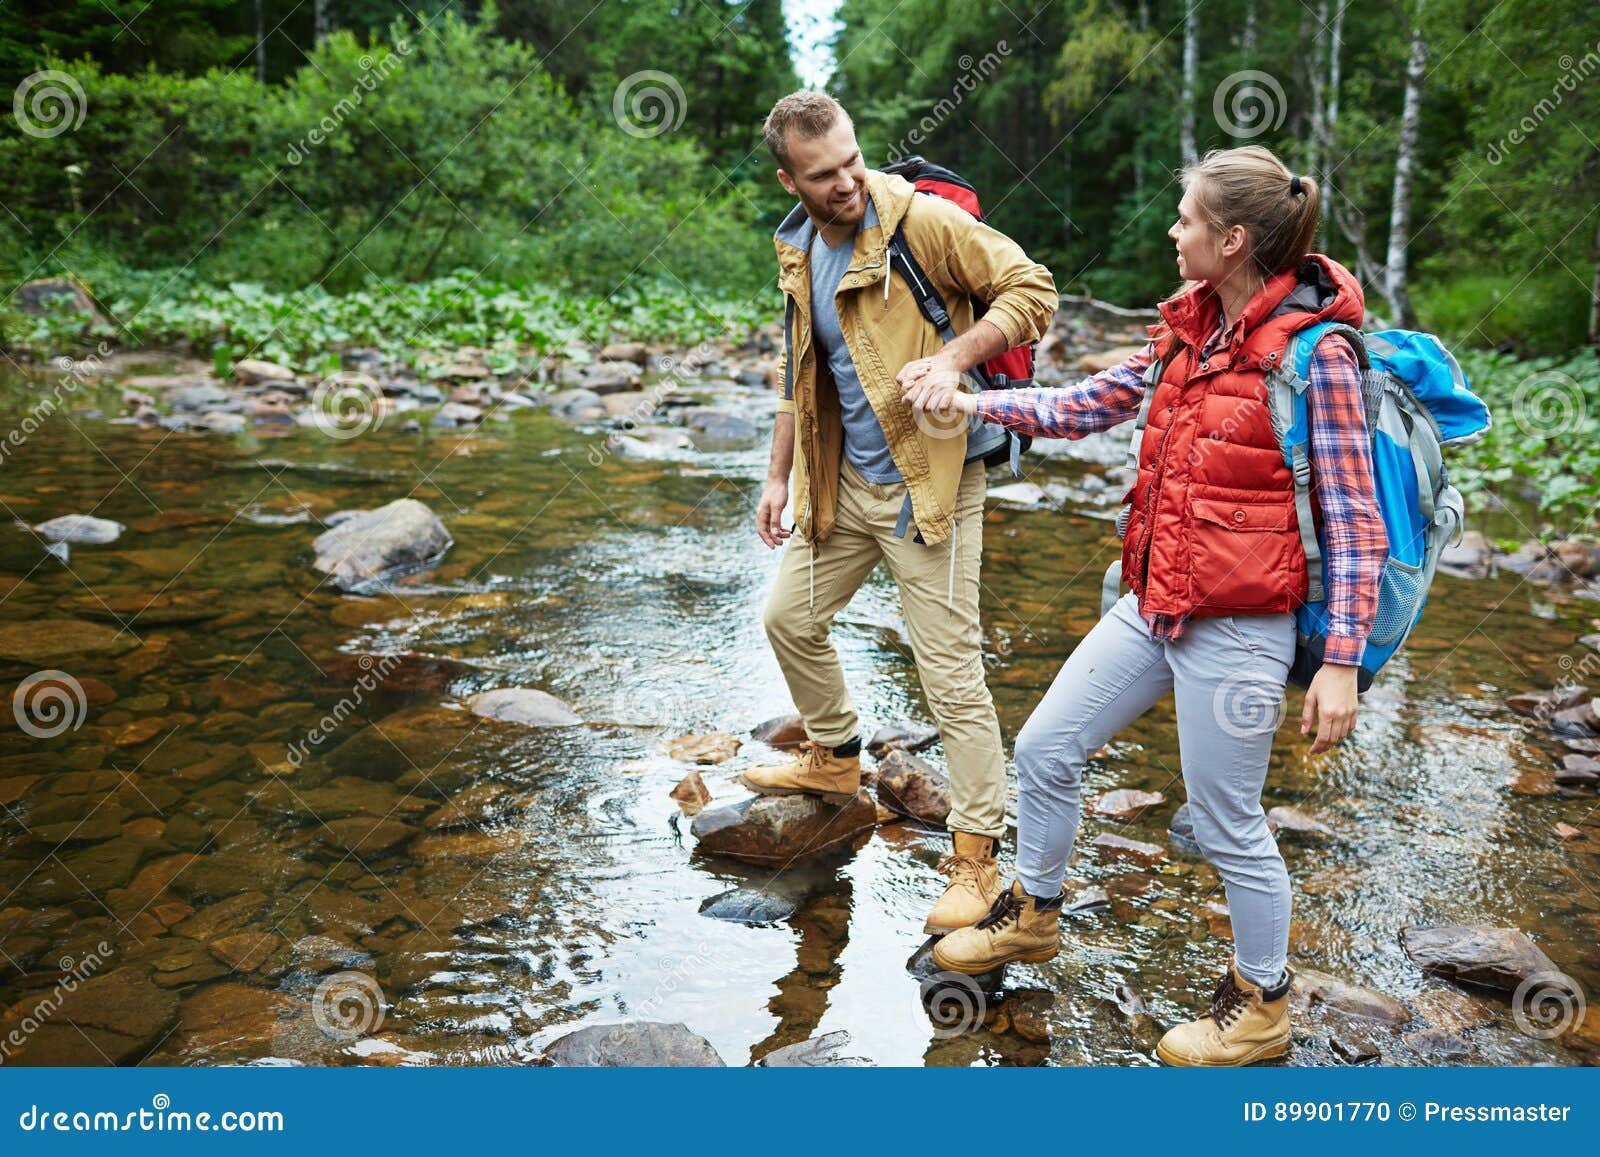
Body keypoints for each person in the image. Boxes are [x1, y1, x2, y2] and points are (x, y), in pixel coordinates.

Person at [902, 145, 1388, 1066]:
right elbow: (1089, 405)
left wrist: (1341, 663)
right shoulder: (1186, 331)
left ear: (1232, 238)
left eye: (1187, 219)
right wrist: (971, 403)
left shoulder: (1317, 357)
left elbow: (1356, 517)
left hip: (1243, 625)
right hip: (1154, 601)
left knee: (1226, 823)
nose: (1174, 232)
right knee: (1045, 748)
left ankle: (1261, 1003)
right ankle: (1033, 915)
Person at [740, 91, 1057, 935]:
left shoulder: (922, 223)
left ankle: (977, 856)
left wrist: (954, 360)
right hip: (844, 486)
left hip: (934, 485)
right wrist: (778, 479)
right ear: (790, 179)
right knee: (786, 616)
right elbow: (796, 372)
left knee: (951, 677)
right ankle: (836, 757)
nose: (847, 182)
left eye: (852, 160)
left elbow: (1032, 289)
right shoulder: (798, 248)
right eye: (824, 174)